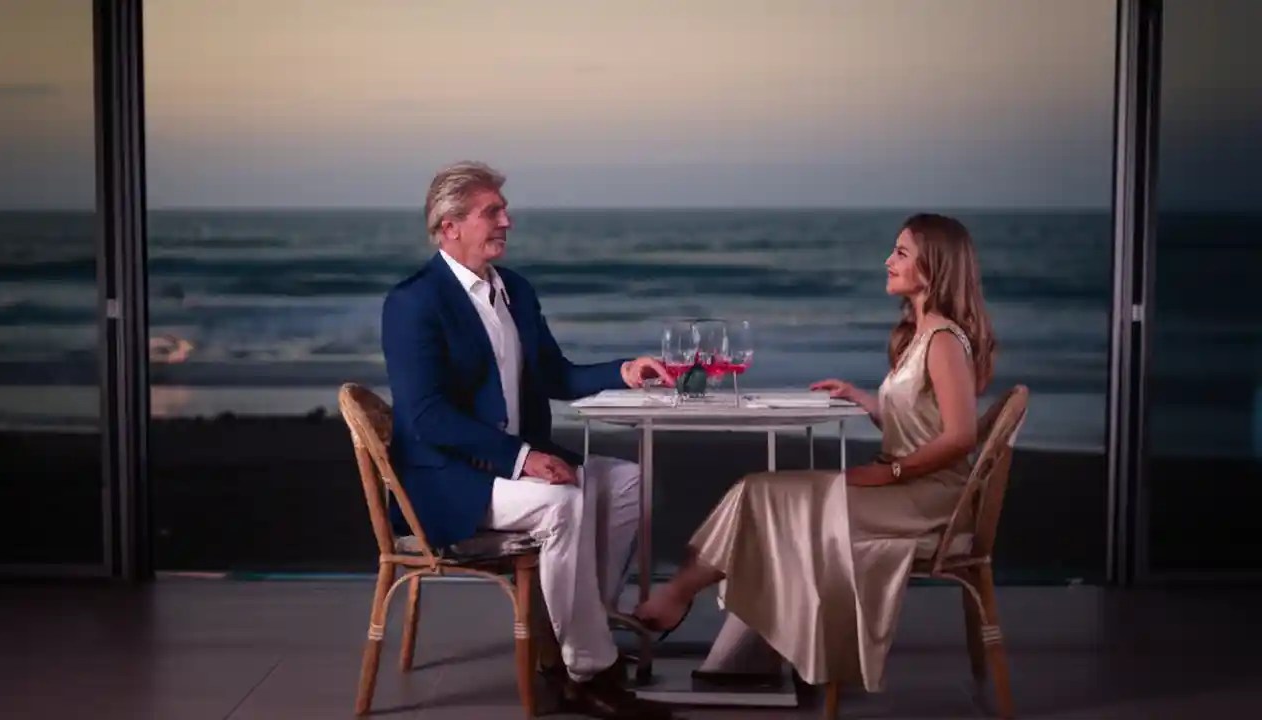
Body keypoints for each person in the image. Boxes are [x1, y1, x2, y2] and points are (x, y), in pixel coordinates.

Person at [633, 213, 997, 693]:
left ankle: (684, 603)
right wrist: (868, 400)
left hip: (925, 502)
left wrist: (888, 472)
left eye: (901, 253)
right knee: (759, 494)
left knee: (761, 496)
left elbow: (960, 437)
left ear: (935, 267)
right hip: (906, 485)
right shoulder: (922, 334)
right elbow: (924, 422)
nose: (888, 261)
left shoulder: (945, 340)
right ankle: (742, 649)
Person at [381, 162, 675, 719]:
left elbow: (554, 375)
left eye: (502, 210)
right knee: (563, 502)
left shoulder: (513, 289)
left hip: (509, 468)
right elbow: (426, 416)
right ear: (450, 226)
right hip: (449, 482)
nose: (507, 221)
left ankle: (567, 643)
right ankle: (590, 672)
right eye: (492, 212)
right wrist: (522, 458)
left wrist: (624, 369)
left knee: (627, 481)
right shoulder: (414, 302)